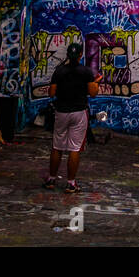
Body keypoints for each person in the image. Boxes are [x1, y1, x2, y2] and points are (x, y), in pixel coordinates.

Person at [43, 43, 99, 192]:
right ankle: (71, 183)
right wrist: (95, 85)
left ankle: (51, 179)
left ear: (67, 55)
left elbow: (51, 93)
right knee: (74, 148)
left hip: (61, 112)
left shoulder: (59, 71)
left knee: (57, 146)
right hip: (79, 112)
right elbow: (93, 93)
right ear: (80, 55)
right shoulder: (86, 72)